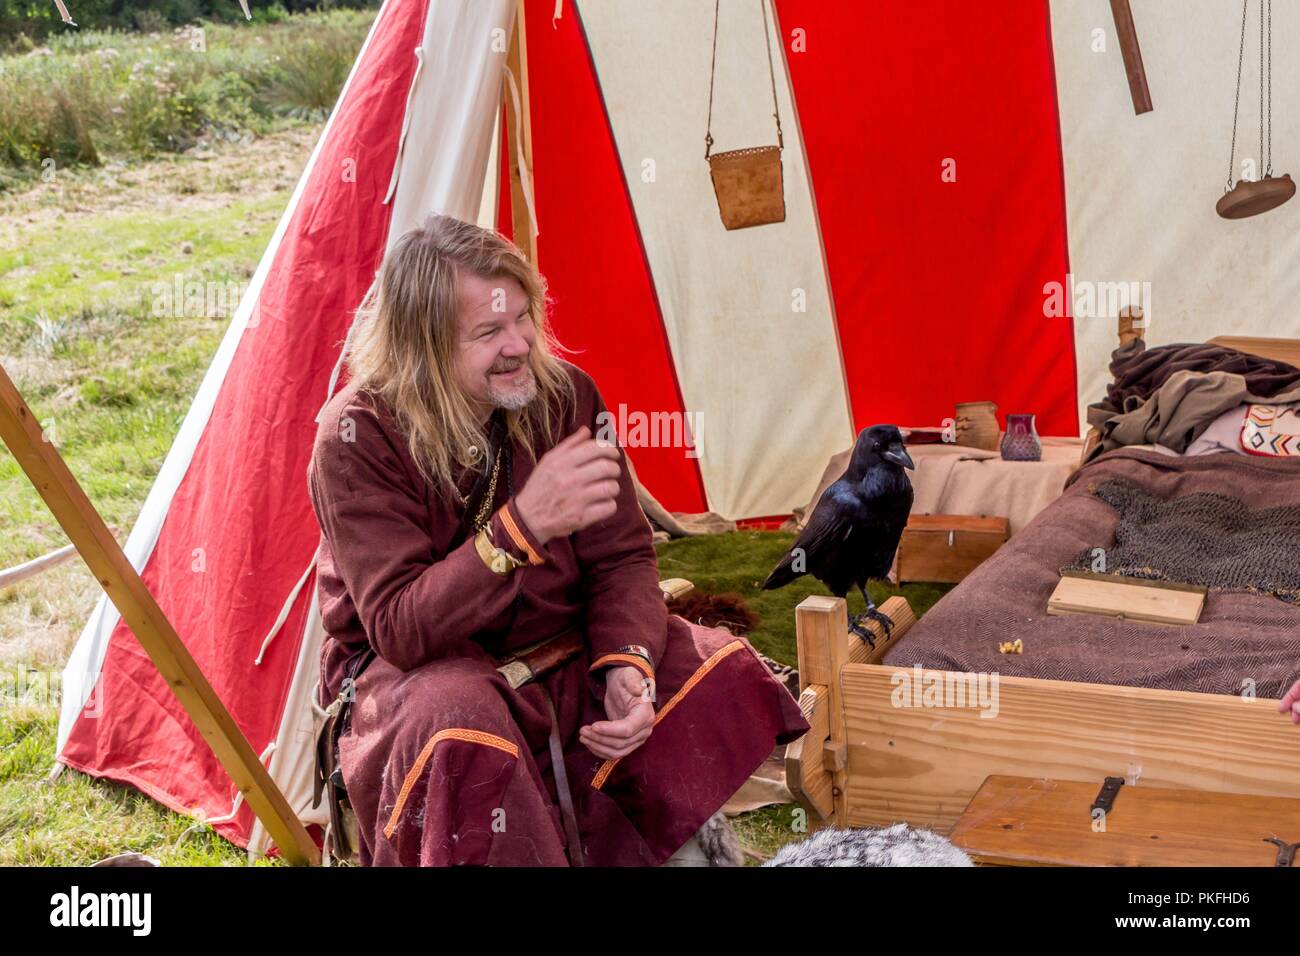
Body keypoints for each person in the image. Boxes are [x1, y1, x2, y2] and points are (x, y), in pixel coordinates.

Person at [308, 214, 808, 866]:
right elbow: (401, 628)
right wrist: (523, 527)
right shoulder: (358, 438)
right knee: (460, 728)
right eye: (490, 332)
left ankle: (670, 854)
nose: (519, 344)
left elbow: (621, 555)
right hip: (421, 674)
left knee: (707, 668)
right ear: (424, 347)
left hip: (559, 651)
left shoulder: (565, 398)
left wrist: (628, 661)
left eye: (522, 317)